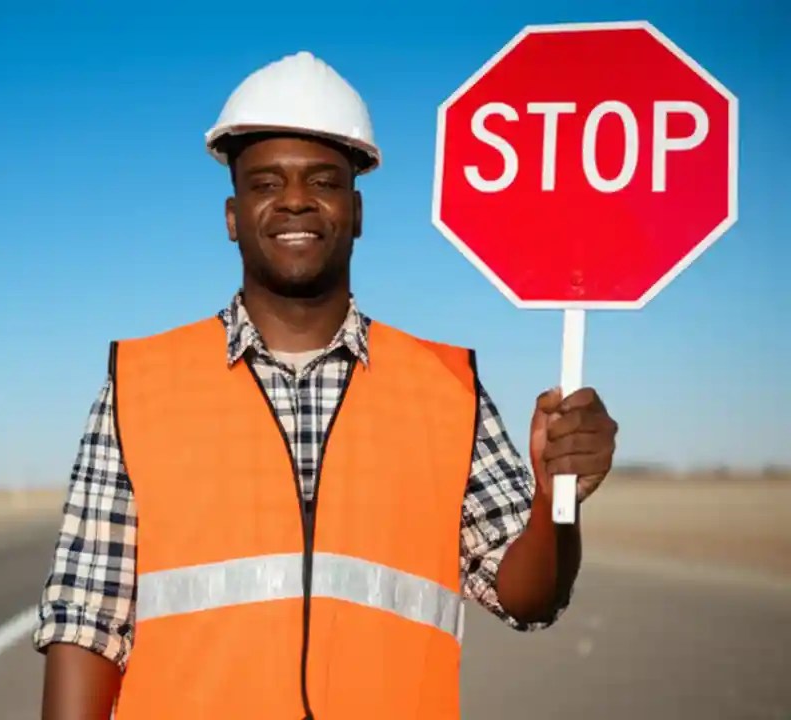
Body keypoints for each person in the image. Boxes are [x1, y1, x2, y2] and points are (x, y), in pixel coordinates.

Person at [32, 50, 619, 720]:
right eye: (264, 184)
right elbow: (85, 621)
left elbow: (529, 599)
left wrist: (555, 498)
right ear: (231, 216)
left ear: (357, 211)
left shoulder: (446, 389)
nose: (294, 200)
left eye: (322, 180)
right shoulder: (139, 386)